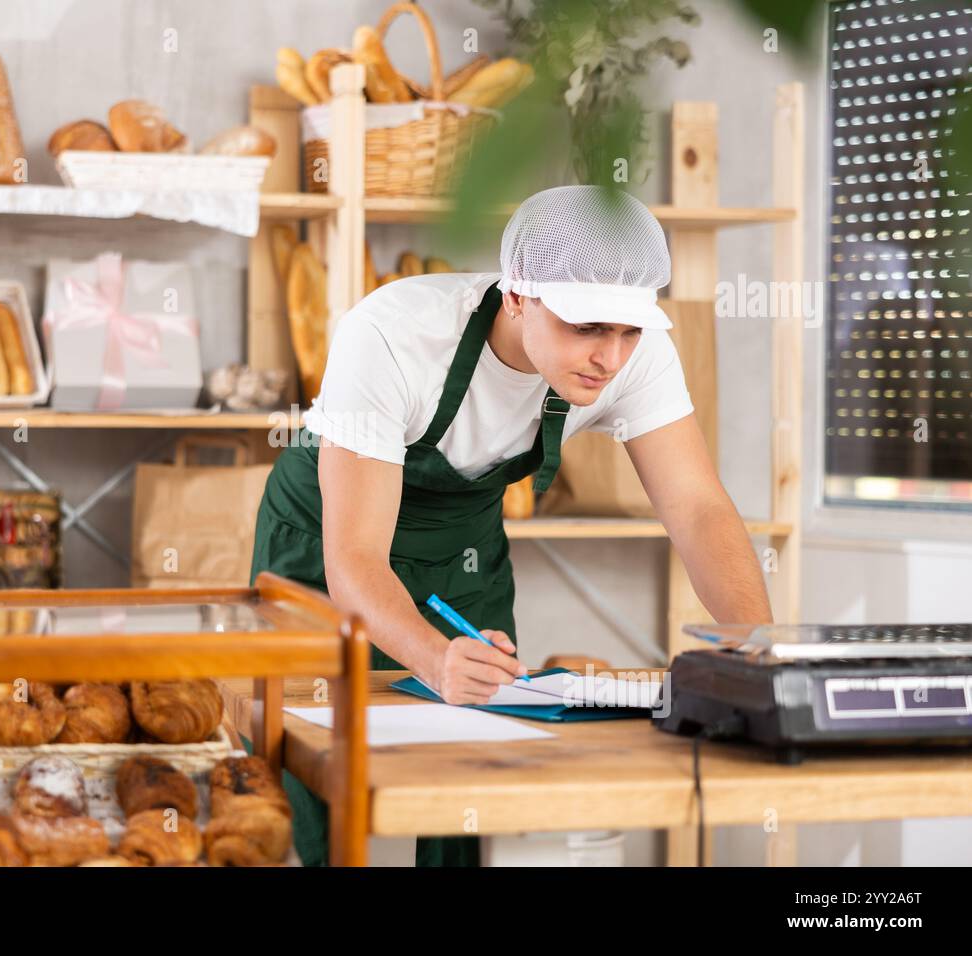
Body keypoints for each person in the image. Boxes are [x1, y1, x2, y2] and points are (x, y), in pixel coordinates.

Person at [249, 185, 774, 866]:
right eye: (585, 327)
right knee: (313, 759)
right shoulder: (390, 335)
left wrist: (759, 657)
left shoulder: (632, 357)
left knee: (476, 751)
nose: (609, 358)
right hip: (325, 539)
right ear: (518, 296)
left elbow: (699, 509)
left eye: (628, 329)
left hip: (462, 550)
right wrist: (434, 658)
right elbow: (355, 559)